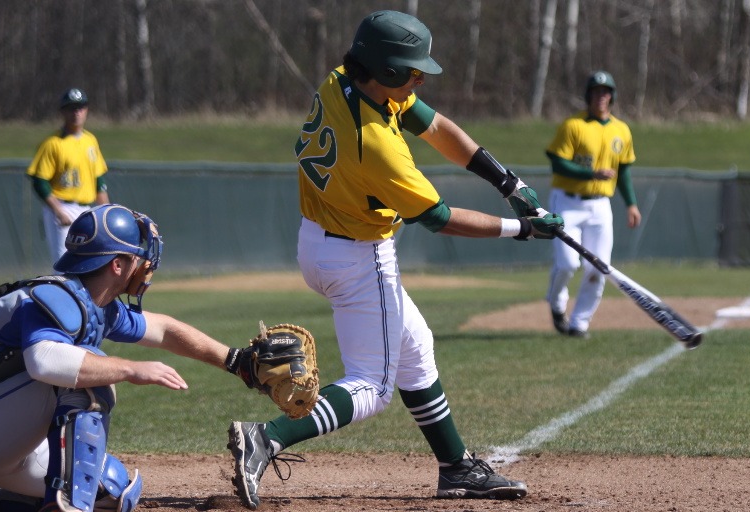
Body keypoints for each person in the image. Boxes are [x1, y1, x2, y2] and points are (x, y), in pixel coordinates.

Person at [226, 10, 563, 510]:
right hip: (359, 257)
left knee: (417, 346)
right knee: (372, 386)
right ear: (384, 71)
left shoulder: (344, 79)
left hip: (320, 241)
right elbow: (440, 218)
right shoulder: (377, 147)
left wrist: (507, 182)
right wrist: (522, 228)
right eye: (411, 70)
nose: (419, 78)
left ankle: (455, 468)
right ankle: (267, 437)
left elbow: (435, 125)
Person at [0, 204, 273, 512]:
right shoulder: (54, 297)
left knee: (114, 492)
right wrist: (129, 369)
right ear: (116, 264)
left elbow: (163, 330)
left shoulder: (94, 303)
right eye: (136, 257)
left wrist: (236, 360)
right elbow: (44, 362)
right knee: (91, 371)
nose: (144, 265)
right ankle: (66, 507)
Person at [544, 70, 640, 339]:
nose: (602, 96)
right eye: (597, 92)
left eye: (606, 92)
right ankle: (556, 302)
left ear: (613, 97)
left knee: (599, 267)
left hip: (600, 206)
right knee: (567, 264)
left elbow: (624, 172)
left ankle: (579, 323)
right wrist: (590, 174)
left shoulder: (621, 130)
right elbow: (557, 162)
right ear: (588, 95)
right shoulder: (573, 125)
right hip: (567, 201)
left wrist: (631, 204)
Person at [26, 88, 110, 267]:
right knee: (65, 266)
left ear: (86, 110)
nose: (76, 112)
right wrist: (58, 211)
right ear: (62, 112)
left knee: (89, 265)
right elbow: (39, 181)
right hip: (62, 207)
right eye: (71, 108)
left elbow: (99, 182)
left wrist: (105, 213)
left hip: (87, 210)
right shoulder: (52, 144)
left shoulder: (90, 141)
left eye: (80, 107)